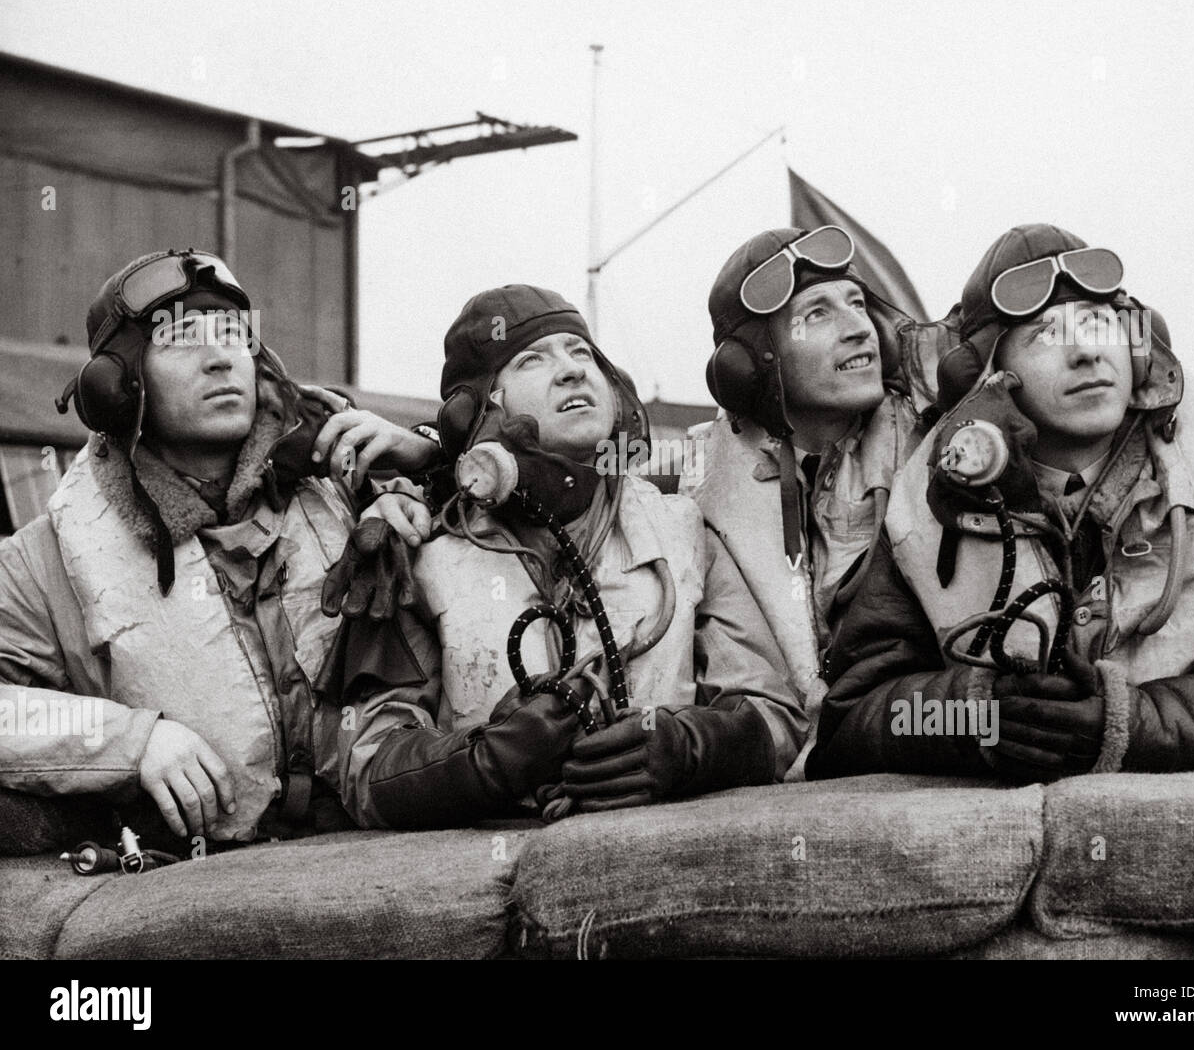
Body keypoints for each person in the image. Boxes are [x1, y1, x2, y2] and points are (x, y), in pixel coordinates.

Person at [808, 224, 1194, 781]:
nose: (1087, 352)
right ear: (991, 376)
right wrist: (977, 716)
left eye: (1099, 323)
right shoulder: (925, 511)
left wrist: (1129, 722)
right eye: (1046, 333)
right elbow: (854, 722)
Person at [0, 248, 439, 850]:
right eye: (181, 337)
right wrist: (131, 742)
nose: (219, 358)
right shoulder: (45, 562)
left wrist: (431, 459)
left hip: (381, 843)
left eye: (233, 333)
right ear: (118, 387)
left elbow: (536, 532)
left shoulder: (349, 482)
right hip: (194, 878)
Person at [336, 285, 805, 828]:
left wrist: (691, 746)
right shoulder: (417, 549)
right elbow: (363, 764)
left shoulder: (684, 530)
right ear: (477, 411)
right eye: (532, 360)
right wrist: (478, 766)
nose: (571, 370)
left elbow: (775, 718)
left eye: (581, 352)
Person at [679, 226, 922, 776]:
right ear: (750, 365)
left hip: (913, 753)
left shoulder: (939, 447)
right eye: (817, 314)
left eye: (857, 304)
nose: (858, 328)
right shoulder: (696, 493)